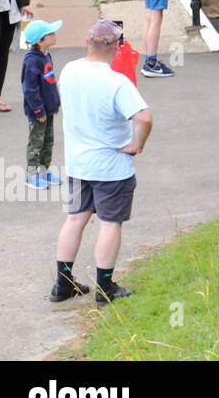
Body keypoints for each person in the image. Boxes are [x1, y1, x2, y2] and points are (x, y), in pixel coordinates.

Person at [51, 20, 153, 305]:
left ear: (87, 41)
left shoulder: (69, 70)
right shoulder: (116, 82)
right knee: (110, 223)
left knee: (74, 220)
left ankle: (63, 284)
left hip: (77, 163)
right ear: (116, 46)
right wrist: (137, 145)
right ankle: (105, 287)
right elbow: (144, 117)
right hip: (111, 166)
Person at [22, 18, 62, 190]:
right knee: (36, 144)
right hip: (38, 112)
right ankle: (31, 175)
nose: (54, 35)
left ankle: (44, 170)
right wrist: (38, 110)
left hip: (49, 109)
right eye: (50, 34)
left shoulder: (46, 55)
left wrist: (54, 103)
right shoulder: (32, 61)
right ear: (40, 41)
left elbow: (49, 82)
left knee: (48, 142)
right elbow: (30, 89)